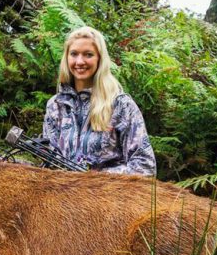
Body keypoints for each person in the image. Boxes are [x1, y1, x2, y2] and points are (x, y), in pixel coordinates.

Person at [42, 26, 156, 176]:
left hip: (109, 196)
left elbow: (145, 166)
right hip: (63, 195)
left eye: (88, 54)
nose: (80, 61)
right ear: (66, 58)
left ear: (100, 59)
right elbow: (47, 163)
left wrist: (93, 178)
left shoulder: (121, 105)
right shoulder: (55, 106)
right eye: (74, 54)